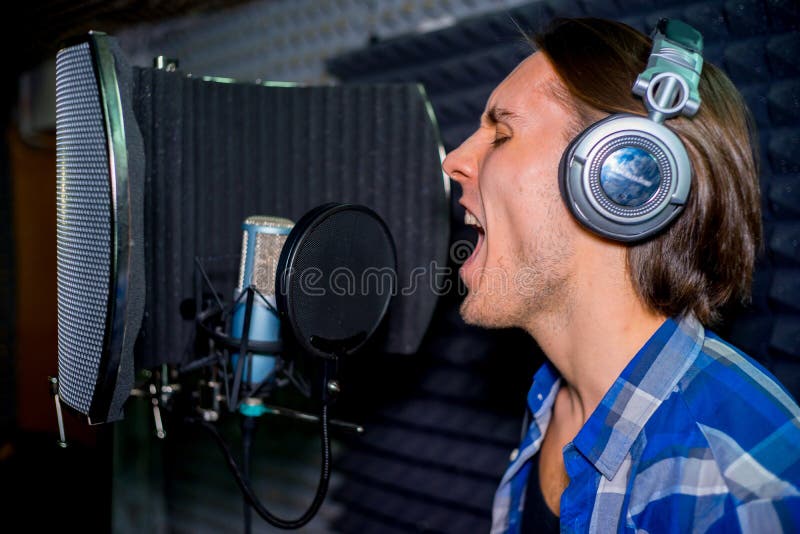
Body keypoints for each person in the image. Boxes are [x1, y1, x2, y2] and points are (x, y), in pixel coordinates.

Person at [441, 16, 800, 533]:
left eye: (501, 133)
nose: (454, 160)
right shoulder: (551, 404)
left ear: (616, 177)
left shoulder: (734, 490)